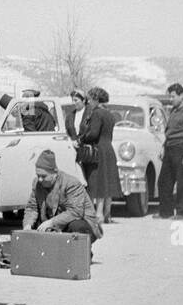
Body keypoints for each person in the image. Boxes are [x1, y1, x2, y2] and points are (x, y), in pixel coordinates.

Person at [23, 149, 103, 246]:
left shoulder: (71, 183)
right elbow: (32, 208)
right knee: (31, 227)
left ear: (54, 173)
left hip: (81, 224)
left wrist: (51, 222)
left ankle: (81, 254)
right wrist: (27, 225)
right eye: (38, 175)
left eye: (44, 176)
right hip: (55, 222)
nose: (40, 179)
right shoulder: (37, 183)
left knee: (77, 226)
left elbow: (75, 212)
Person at [77, 86, 120, 222]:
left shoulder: (96, 113)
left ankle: (98, 214)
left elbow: (93, 134)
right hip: (109, 149)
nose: (88, 102)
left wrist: (82, 137)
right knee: (108, 182)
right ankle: (108, 214)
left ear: (96, 99)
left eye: (90, 99)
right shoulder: (109, 114)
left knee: (98, 182)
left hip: (98, 150)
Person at [157, 83, 183, 219]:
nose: (171, 99)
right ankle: (165, 212)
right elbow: (169, 131)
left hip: (182, 148)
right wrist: (164, 146)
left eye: (173, 96)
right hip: (170, 148)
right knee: (164, 181)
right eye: (170, 96)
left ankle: (182, 213)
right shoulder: (173, 111)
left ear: (181, 95)